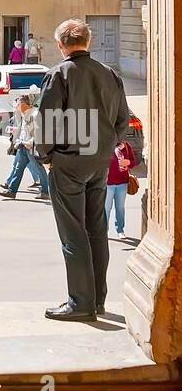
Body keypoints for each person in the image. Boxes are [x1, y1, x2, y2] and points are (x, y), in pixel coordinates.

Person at [36, 18, 130, 322]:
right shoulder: (110, 74)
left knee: (73, 233)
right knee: (96, 231)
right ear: (87, 43)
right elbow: (122, 121)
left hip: (69, 162)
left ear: (61, 45)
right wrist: (105, 150)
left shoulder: (59, 74)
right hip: (99, 163)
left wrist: (46, 157)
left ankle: (80, 303)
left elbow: (47, 121)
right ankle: (97, 300)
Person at [0, 95, 49, 200]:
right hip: (23, 145)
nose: (16, 106)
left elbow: (40, 131)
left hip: (31, 146)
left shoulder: (35, 114)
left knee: (39, 169)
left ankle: (45, 192)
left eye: (18, 104)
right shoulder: (24, 114)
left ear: (23, 104)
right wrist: (18, 142)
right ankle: (12, 191)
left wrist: (31, 142)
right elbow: (23, 130)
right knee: (18, 168)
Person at [106, 141, 136, 239]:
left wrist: (128, 162)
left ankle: (120, 230)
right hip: (108, 183)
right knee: (106, 209)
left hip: (122, 183)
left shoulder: (127, 146)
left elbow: (133, 162)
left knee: (120, 208)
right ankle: (103, 231)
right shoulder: (105, 143)